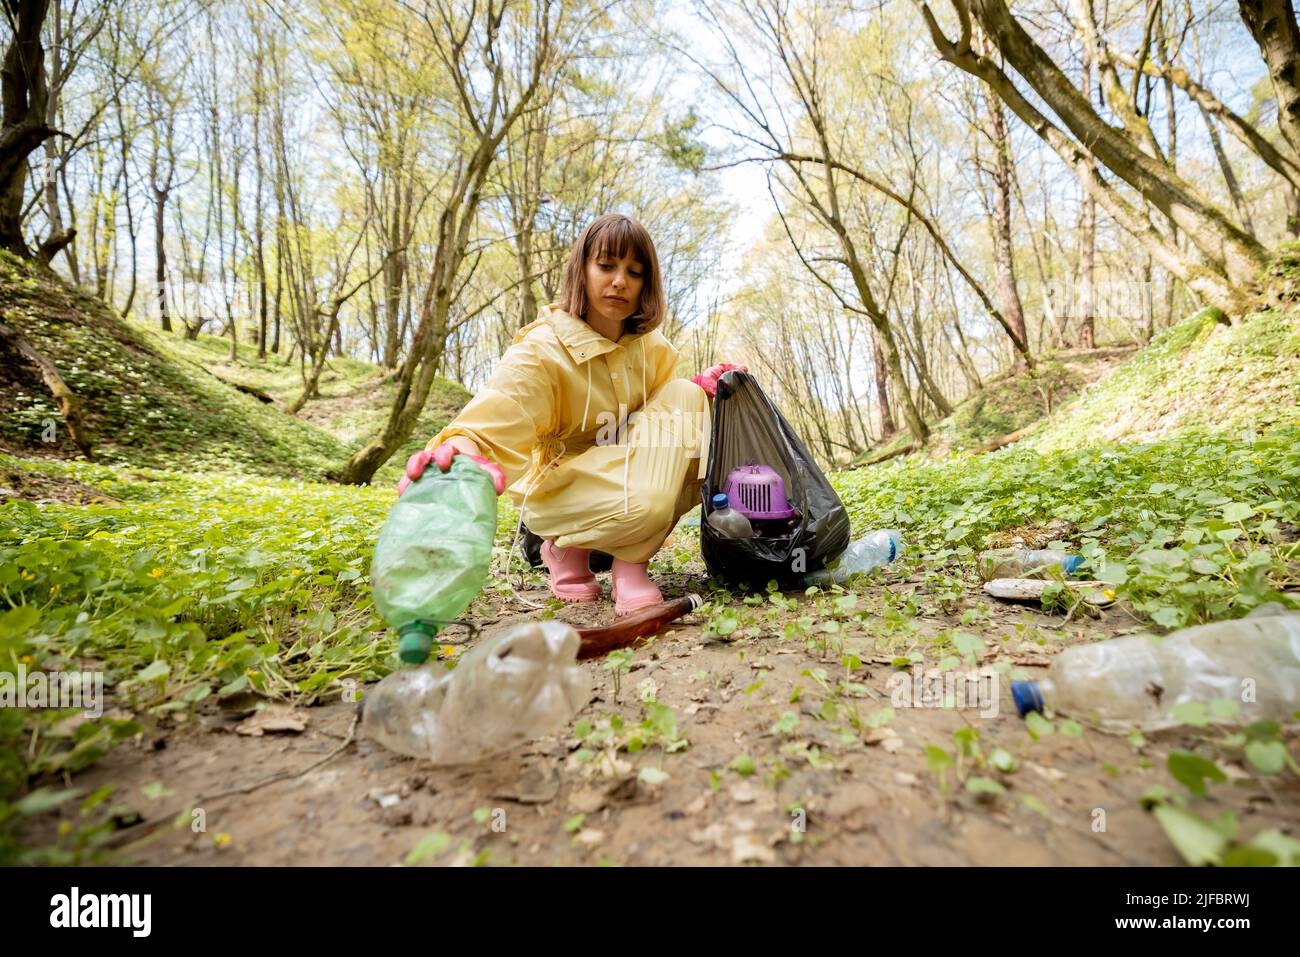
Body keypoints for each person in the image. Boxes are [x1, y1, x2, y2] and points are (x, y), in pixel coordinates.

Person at [399, 213, 744, 615]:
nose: (619, 282)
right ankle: (565, 546)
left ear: (646, 284)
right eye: (606, 266)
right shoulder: (541, 350)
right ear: (581, 269)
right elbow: (499, 412)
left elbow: (662, 422)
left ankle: (630, 566)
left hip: (626, 469)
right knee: (648, 500)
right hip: (560, 488)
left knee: (687, 399)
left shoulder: (654, 349)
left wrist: (701, 390)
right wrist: (461, 451)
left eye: (634, 272)